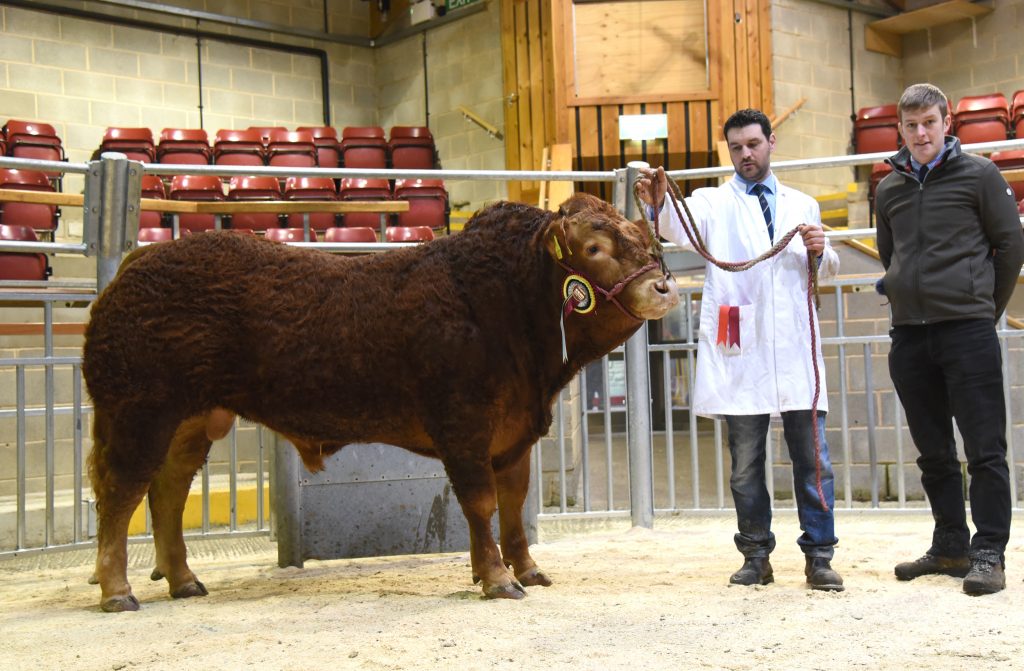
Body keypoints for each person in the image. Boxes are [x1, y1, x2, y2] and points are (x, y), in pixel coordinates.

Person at [636, 109, 843, 591]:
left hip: (795, 352)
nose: (745, 154)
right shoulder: (712, 202)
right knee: (745, 463)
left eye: (753, 143)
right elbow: (676, 226)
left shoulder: (803, 204)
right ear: (728, 151)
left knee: (814, 462)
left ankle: (819, 556)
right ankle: (755, 555)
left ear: (771, 142)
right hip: (742, 352)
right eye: (736, 147)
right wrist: (659, 202)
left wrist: (820, 250)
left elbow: (826, 269)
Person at [875, 83, 1024, 596]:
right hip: (910, 337)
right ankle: (950, 546)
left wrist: (984, 309)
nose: (921, 133)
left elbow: (1010, 245)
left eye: (930, 123)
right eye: (911, 125)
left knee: (985, 449)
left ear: (947, 125)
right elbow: (889, 254)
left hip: (967, 330)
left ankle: (988, 553)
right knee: (933, 453)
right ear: (900, 128)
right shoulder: (888, 187)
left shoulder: (980, 175)